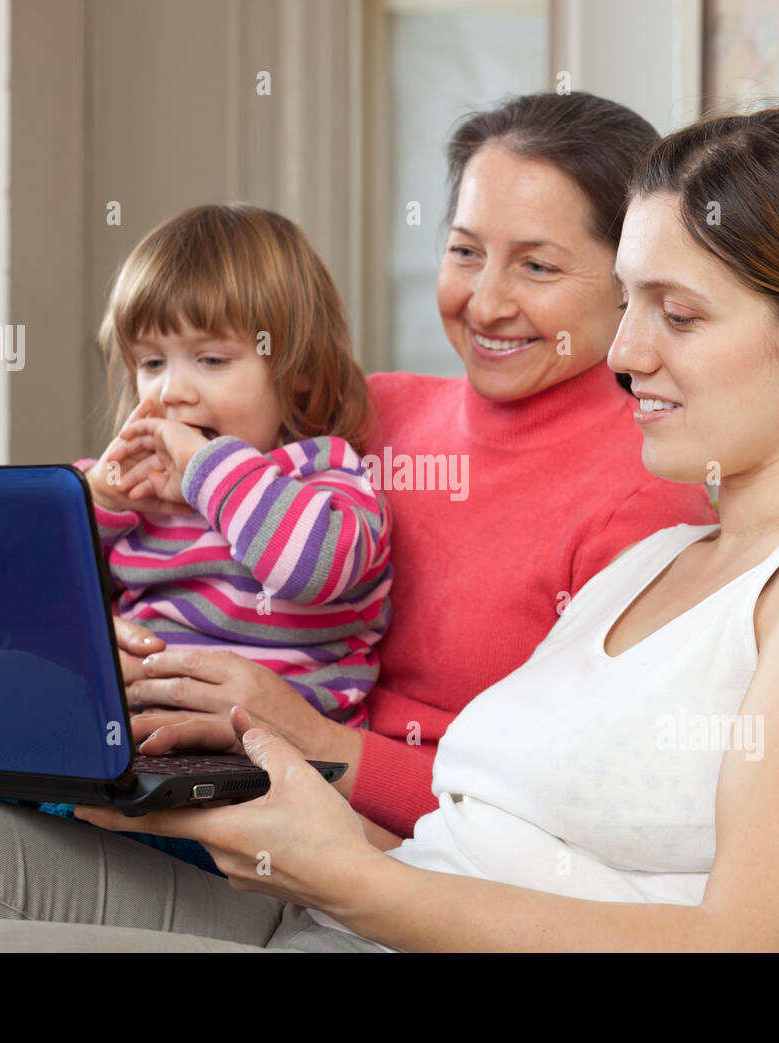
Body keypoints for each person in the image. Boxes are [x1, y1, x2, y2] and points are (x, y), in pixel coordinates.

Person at [0, 103, 779, 951]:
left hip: (356, 917)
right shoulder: (665, 559)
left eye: (674, 314)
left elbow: (763, 944)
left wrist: (347, 867)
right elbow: (462, 819)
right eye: (626, 304)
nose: (621, 355)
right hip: (332, 904)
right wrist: (233, 778)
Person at [114, 92, 718, 840]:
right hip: (200, 793)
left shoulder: (649, 499)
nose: (486, 301)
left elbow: (576, 822)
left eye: (536, 265)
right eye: (465, 251)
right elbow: (187, 541)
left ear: (631, 281)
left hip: (389, 867)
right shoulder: (370, 412)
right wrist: (123, 641)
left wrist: (307, 737)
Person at [34, 203, 393, 872]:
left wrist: (204, 467)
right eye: (150, 362)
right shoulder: (134, 495)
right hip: (140, 753)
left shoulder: (323, 476)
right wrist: (102, 499)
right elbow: (29, 592)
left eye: (210, 358)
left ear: (302, 370)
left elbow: (311, 567)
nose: (171, 391)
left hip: (264, 780)